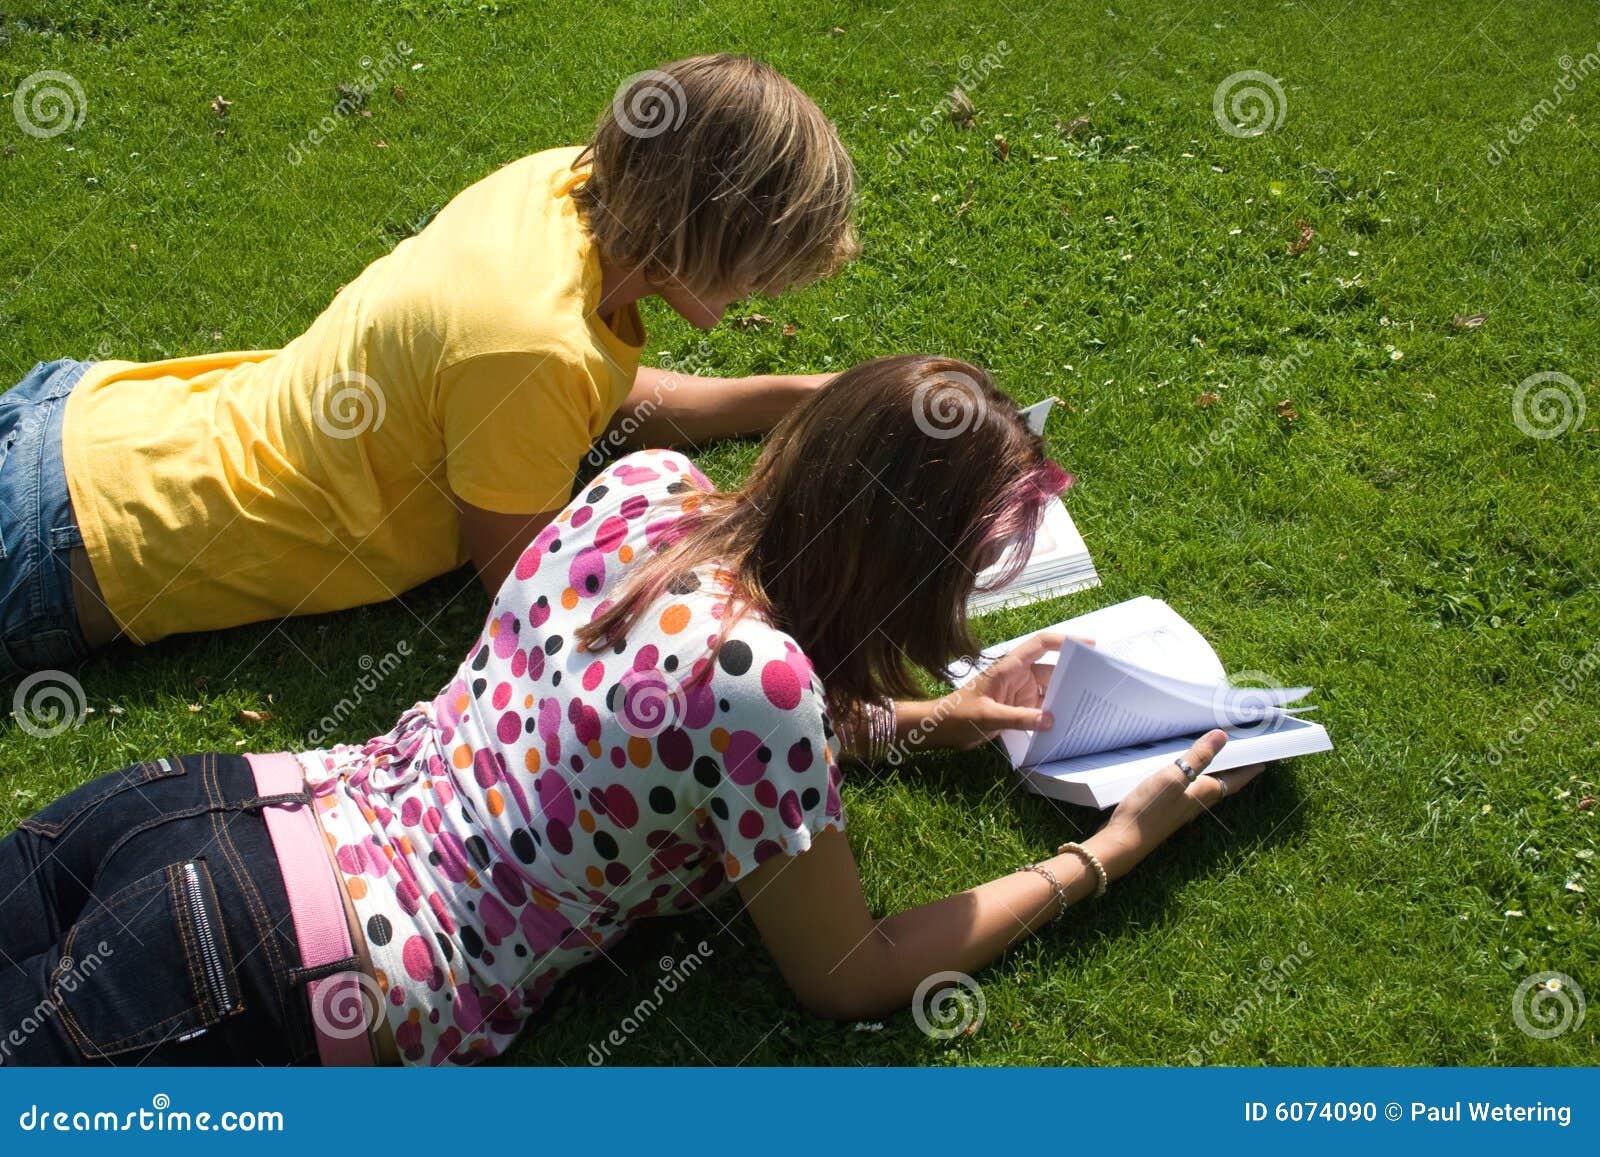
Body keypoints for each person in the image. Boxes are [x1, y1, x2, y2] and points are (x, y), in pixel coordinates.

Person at [0, 356, 1264, 1065]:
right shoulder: (766, 689)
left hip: (210, 808)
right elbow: (846, 970)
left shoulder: (650, 489)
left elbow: (662, 721)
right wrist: (1104, 851)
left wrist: (937, 718)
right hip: (284, 961)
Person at [0, 54, 856, 677]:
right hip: (66, 548)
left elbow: (597, 400)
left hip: (86, 421)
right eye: (767, 262)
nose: (773, 287)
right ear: (707, 227)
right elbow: (543, 606)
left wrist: (810, 397)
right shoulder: (530, 347)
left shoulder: (563, 188)